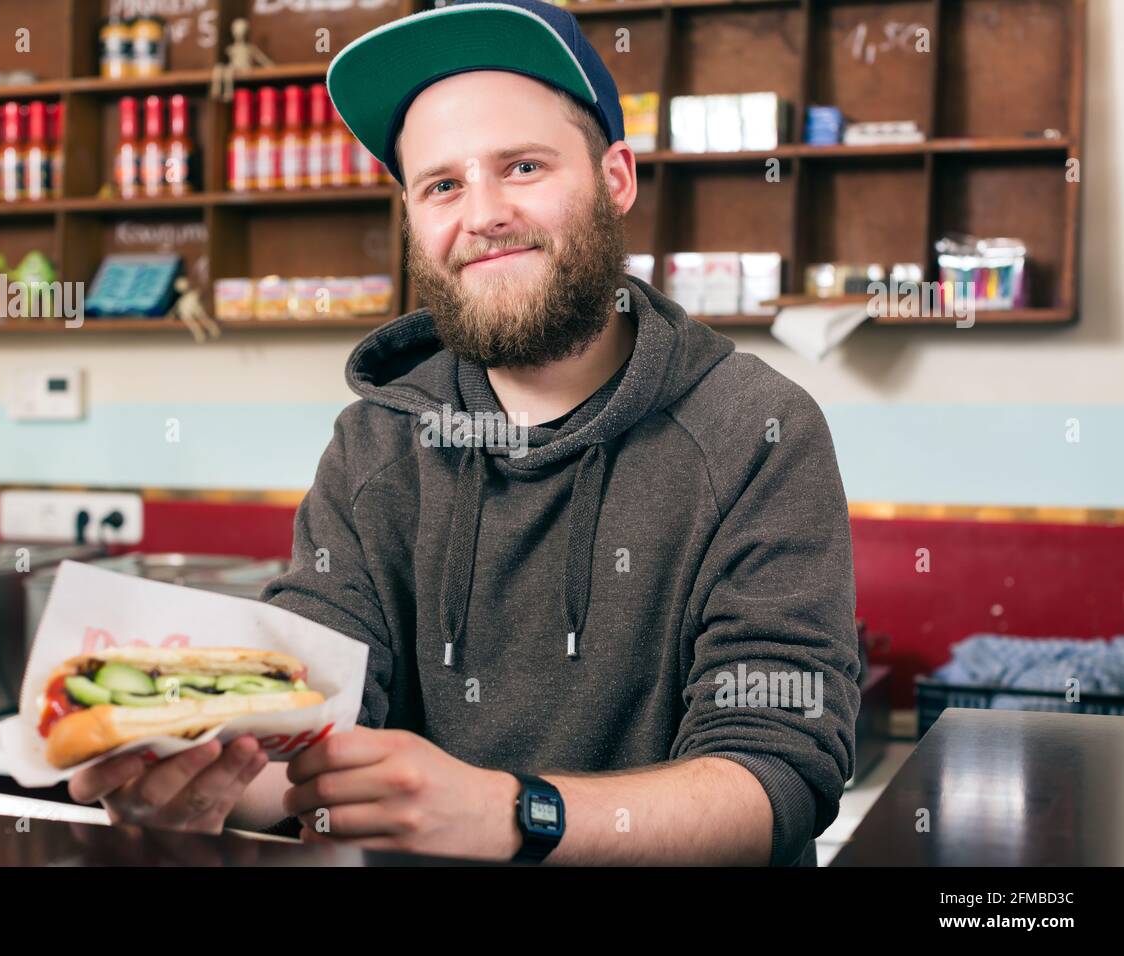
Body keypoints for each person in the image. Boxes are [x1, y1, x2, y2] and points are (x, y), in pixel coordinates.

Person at [69, 0, 860, 866]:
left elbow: (780, 775)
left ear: (616, 178)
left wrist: (519, 815)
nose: (482, 214)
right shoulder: (376, 445)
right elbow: (308, 721)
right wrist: (203, 781)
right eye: (441, 184)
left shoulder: (757, 428)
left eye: (522, 166)